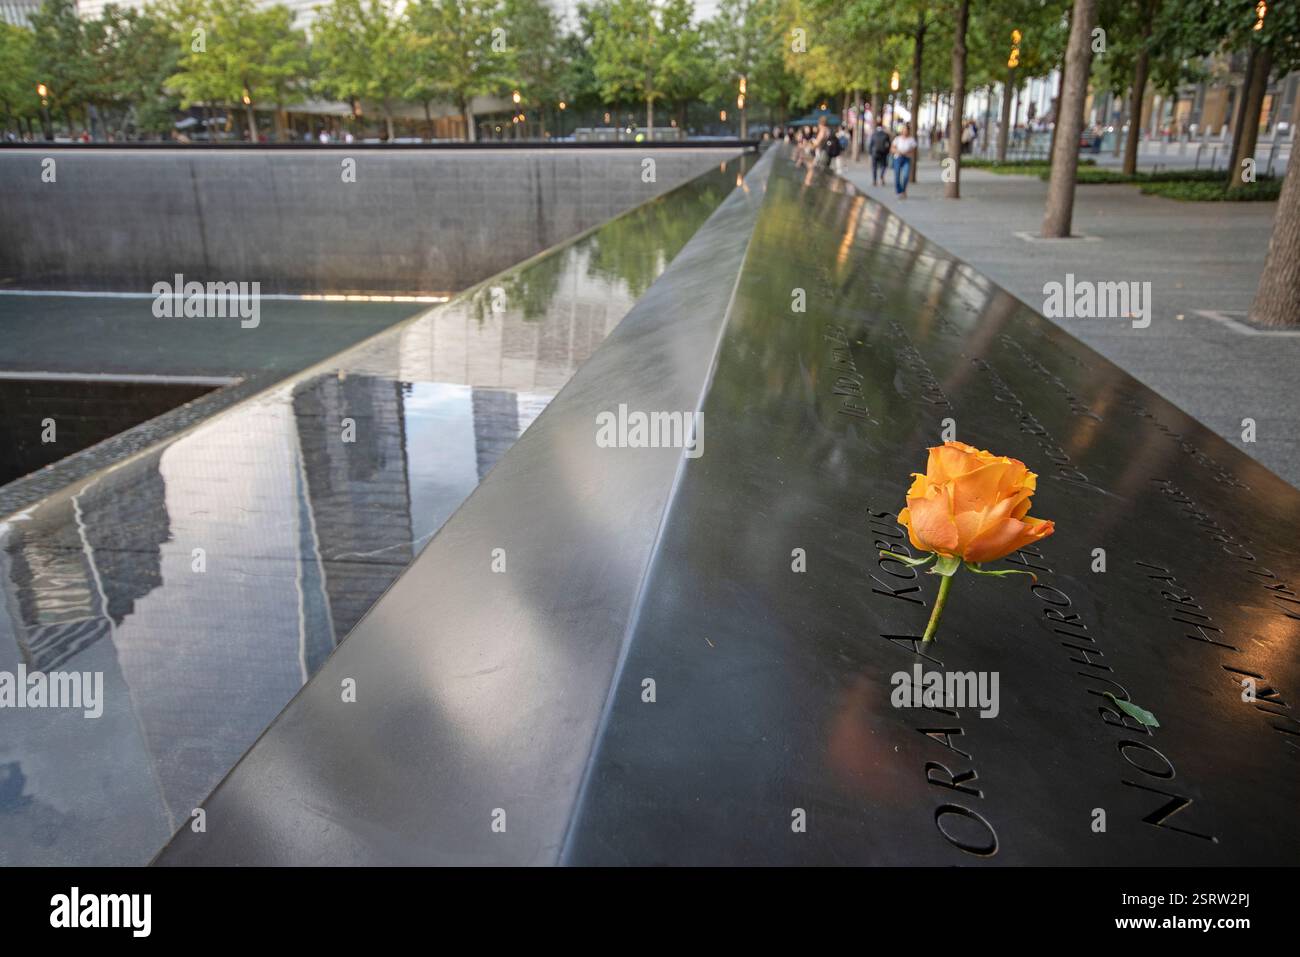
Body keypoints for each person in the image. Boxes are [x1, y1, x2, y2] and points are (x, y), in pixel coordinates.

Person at [891, 122, 917, 198]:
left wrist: (907, 153)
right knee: (897, 174)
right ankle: (899, 191)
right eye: (904, 130)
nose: (905, 131)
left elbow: (914, 150)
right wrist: (898, 151)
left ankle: (903, 190)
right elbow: (892, 149)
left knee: (905, 175)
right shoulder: (897, 139)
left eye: (906, 130)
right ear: (902, 131)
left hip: (906, 158)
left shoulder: (911, 139)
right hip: (898, 158)